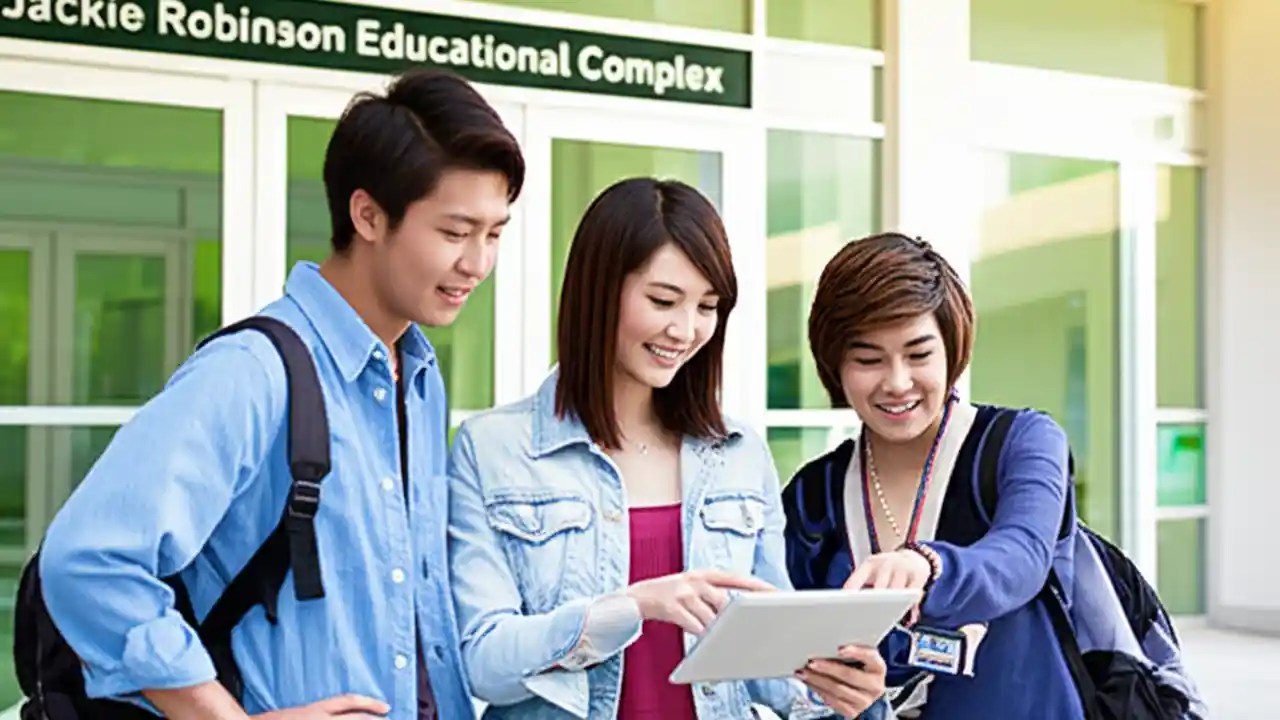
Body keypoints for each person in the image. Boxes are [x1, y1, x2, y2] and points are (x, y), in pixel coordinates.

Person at [37, 68, 523, 719]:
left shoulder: (418, 377)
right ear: (368, 215)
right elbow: (89, 563)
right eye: (455, 232)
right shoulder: (252, 373)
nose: (478, 264)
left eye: (494, 233)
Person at [446, 177, 890, 720]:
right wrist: (632, 606)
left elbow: (775, 672)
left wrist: (851, 694)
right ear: (599, 291)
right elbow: (483, 660)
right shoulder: (492, 450)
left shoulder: (739, 453)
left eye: (707, 306)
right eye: (663, 300)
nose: (686, 330)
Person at [781, 231, 1086, 719]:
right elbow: (789, 652)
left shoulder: (1021, 442)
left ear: (952, 350)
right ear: (835, 364)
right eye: (868, 359)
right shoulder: (811, 496)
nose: (897, 382)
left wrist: (928, 566)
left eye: (919, 355)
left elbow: (1021, 557)